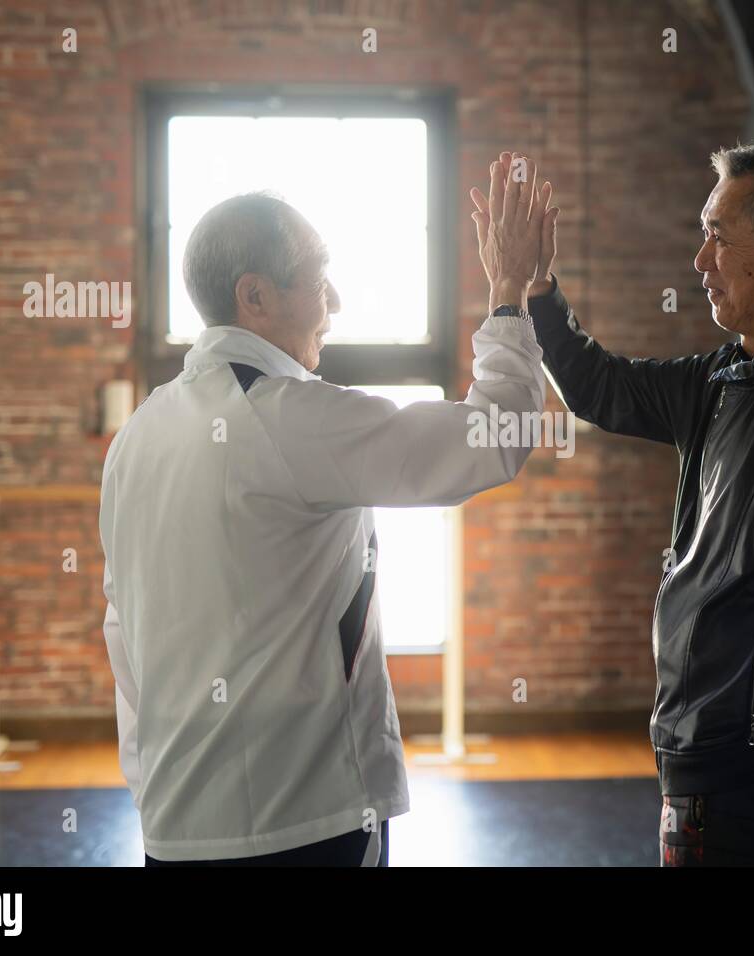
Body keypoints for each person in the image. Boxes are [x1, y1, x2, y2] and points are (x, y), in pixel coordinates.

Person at [478, 141, 754, 866]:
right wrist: (537, 286)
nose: (699, 261)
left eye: (720, 238)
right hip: (698, 755)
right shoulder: (725, 377)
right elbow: (599, 388)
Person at [100, 152, 554, 865]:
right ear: (255, 298)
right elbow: (496, 436)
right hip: (304, 826)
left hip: (174, 828)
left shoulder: (139, 433)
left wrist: (152, 787)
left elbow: (122, 634)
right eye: (318, 278)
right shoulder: (285, 416)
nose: (336, 300)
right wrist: (508, 293)